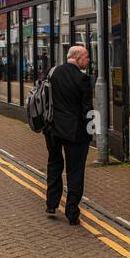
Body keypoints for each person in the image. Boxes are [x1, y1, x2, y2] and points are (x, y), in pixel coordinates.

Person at [44, 45, 93, 225]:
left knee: (54, 164)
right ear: (78, 58)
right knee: (75, 171)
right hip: (75, 133)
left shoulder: (53, 72)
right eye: (86, 57)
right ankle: (72, 213)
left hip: (53, 129)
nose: (88, 60)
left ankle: (51, 203)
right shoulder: (82, 79)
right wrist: (91, 133)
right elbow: (87, 110)